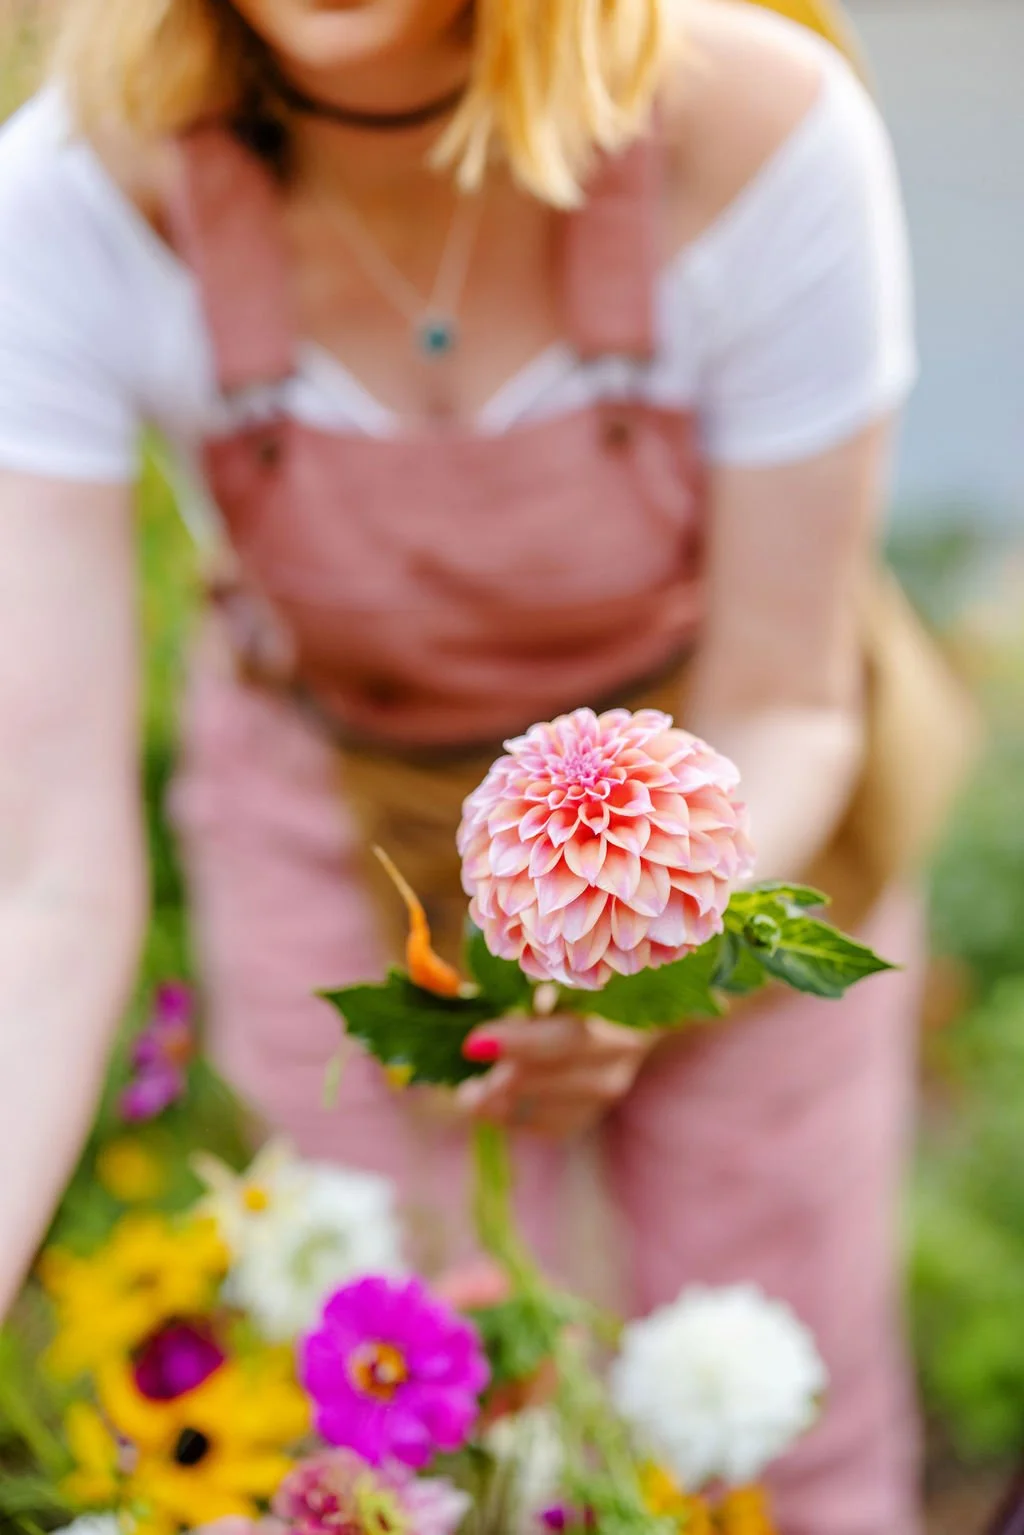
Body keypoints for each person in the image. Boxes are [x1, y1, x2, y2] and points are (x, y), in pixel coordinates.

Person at [0, 0, 950, 1529]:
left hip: (724, 807)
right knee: (418, 1403)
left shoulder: (756, 132)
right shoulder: (71, 199)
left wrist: (647, 953)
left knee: (772, 1398)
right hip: (337, 814)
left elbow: (788, 696)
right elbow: (47, 884)